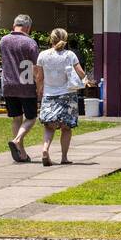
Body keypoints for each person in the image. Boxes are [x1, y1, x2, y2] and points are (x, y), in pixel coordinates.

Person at [35, 28, 87, 166]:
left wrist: (39, 90)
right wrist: (87, 82)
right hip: (67, 95)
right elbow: (80, 72)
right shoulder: (70, 55)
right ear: (65, 39)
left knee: (49, 126)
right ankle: (64, 157)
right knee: (66, 127)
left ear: (50, 39)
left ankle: (45, 149)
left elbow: (39, 77)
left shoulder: (42, 55)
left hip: (49, 94)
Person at [0, 14, 40, 162]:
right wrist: (40, 86)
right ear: (28, 27)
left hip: (8, 85)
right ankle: (17, 140)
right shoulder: (30, 43)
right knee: (31, 117)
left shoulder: (3, 41)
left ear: (14, 25)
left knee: (17, 118)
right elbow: (36, 68)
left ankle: (21, 153)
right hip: (26, 85)